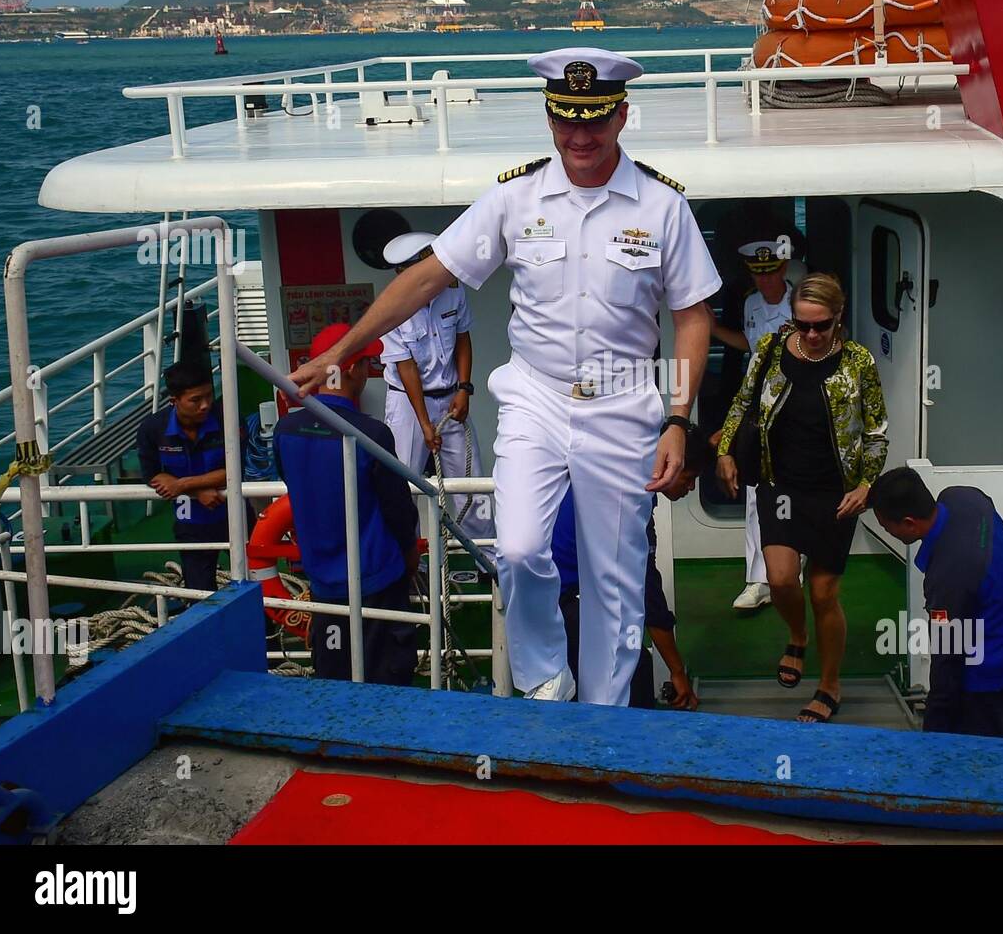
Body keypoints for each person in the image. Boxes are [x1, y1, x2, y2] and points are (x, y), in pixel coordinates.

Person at [289, 47, 722, 707]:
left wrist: (678, 421)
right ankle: (546, 679)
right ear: (549, 117)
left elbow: (693, 317)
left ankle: (603, 717)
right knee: (518, 548)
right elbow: (426, 278)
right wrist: (342, 348)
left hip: (624, 405)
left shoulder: (662, 207)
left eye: (595, 120)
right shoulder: (514, 198)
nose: (580, 136)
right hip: (535, 399)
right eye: (565, 119)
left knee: (615, 576)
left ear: (621, 116)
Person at [716, 273, 888, 723]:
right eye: (802, 324)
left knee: (824, 593)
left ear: (838, 319)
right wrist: (725, 451)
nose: (810, 335)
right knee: (780, 580)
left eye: (821, 326)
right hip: (782, 485)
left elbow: (875, 431)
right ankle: (798, 635)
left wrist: (866, 484)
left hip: (835, 492)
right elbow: (742, 403)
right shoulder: (773, 348)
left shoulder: (858, 362)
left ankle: (829, 683)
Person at [274, 324, 421, 686]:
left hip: (323, 581)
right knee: (388, 681)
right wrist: (410, 554)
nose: (368, 373)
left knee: (334, 678)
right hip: (376, 580)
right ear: (350, 369)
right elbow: (399, 511)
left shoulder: (285, 431)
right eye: (367, 364)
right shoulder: (371, 435)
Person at [552, 423, 713, 710]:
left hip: (562, 594)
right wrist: (677, 671)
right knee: (635, 668)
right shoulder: (631, 502)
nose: (690, 487)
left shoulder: (622, 476)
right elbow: (648, 596)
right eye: (689, 477)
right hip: (559, 600)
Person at [866, 467, 1003, 736]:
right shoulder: (963, 497)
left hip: (990, 675)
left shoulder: (948, 578)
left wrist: (933, 733)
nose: (887, 531)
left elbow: (947, 659)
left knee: (973, 757)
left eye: (887, 527)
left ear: (909, 523)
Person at [710, 239, 807, 612]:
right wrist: (711, 327)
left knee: (794, 490)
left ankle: (792, 568)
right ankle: (758, 579)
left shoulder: (801, 304)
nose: (765, 281)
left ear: (784, 270)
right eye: (758, 274)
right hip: (759, 410)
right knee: (755, 492)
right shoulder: (751, 304)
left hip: (797, 406)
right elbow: (751, 348)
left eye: (772, 273)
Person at [379, 230, 492, 545]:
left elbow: (463, 338)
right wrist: (425, 423)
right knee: (405, 481)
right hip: (408, 405)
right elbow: (406, 368)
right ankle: (410, 554)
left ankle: (483, 552)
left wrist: (465, 388)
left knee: (472, 483)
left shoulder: (453, 291)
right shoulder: (391, 304)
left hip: (452, 397)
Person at [136, 360, 239, 595]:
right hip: (190, 524)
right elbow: (152, 475)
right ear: (174, 401)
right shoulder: (153, 429)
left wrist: (183, 484)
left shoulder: (228, 419)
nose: (205, 405)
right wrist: (198, 491)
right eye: (195, 400)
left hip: (236, 516)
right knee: (200, 593)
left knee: (254, 580)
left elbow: (234, 470)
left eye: (209, 396)